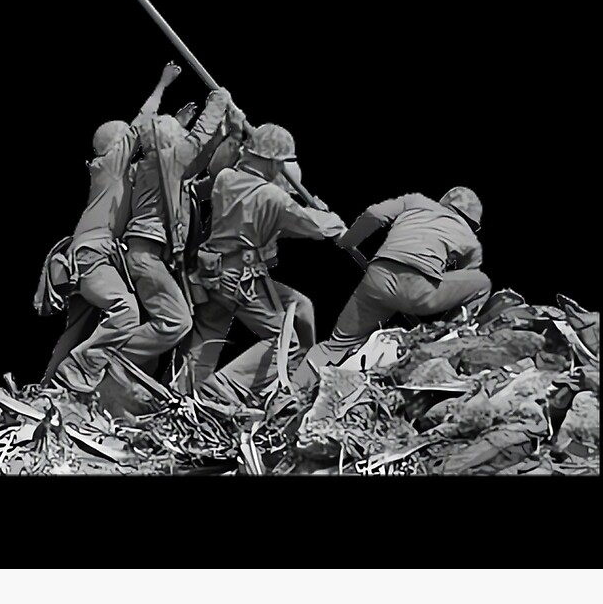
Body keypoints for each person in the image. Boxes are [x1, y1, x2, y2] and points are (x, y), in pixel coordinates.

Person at [60, 86, 236, 388]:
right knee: (176, 321)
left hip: (149, 257)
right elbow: (196, 143)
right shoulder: (162, 162)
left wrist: (225, 133)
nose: (184, 140)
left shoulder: (162, 169)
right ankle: (103, 361)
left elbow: (199, 165)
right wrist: (217, 101)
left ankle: (114, 367)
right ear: (170, 143)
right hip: (144, 257)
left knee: (174, 321)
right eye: (179, 137)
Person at [37, 61, 182, 391]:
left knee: (78, 329)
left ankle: (49, 387)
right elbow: (141, 123)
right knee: (125, 311)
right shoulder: (110, 165)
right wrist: (163, 84)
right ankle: (80, 367)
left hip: (91, 257)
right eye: (127, 139)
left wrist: (177, 126)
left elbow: (158, 155)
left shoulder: (120, 174)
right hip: (92, 256)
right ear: (115, 145)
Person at [176, 123, 347, 399]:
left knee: (207, 338)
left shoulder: (226, 179)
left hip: (211, 271)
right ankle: (224, 389)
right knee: (284, 341)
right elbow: (313, 226)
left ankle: (183, 394)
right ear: (271, 161)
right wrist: (332, 220)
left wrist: (308, 214)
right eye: (279, 163)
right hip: (240, 277)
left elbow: (271, 223)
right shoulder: (272, 196)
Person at [290, 186, 492, 389]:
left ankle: (291, 392)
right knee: (482, 283)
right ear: (473, 223)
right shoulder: (471, 242)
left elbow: (375, 214)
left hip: (377, 280)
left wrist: (346, 240)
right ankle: (448, 337)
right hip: (418, 290)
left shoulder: (416, 201)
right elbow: (463, 286)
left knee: (336, 345)